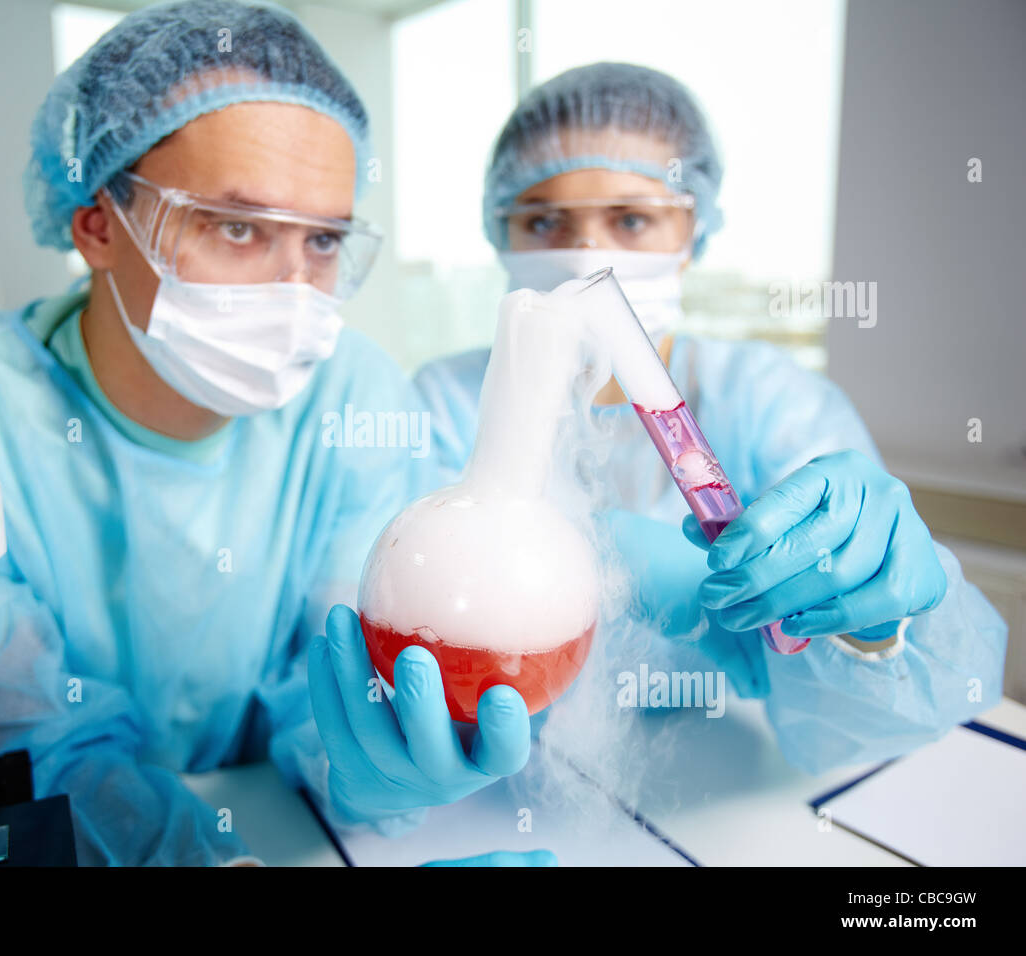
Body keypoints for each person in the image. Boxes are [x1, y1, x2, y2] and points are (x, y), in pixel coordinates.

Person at [0, 0, 493, 865]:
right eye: (236, 227)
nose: (294, 288)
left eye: (325, 239)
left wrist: (374, 763)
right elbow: (31, 740)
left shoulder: (358, 397)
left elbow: (348, 678)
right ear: (97, 226)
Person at [413, 63, 1008, 774]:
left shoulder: (769, 400)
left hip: (731, 782)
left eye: (633, 218)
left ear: (695, 232)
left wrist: (869, 632)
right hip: (494, 785)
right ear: (496, 230)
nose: (587, 254)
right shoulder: (440, 407)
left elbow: (874, 728)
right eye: (543, 220)